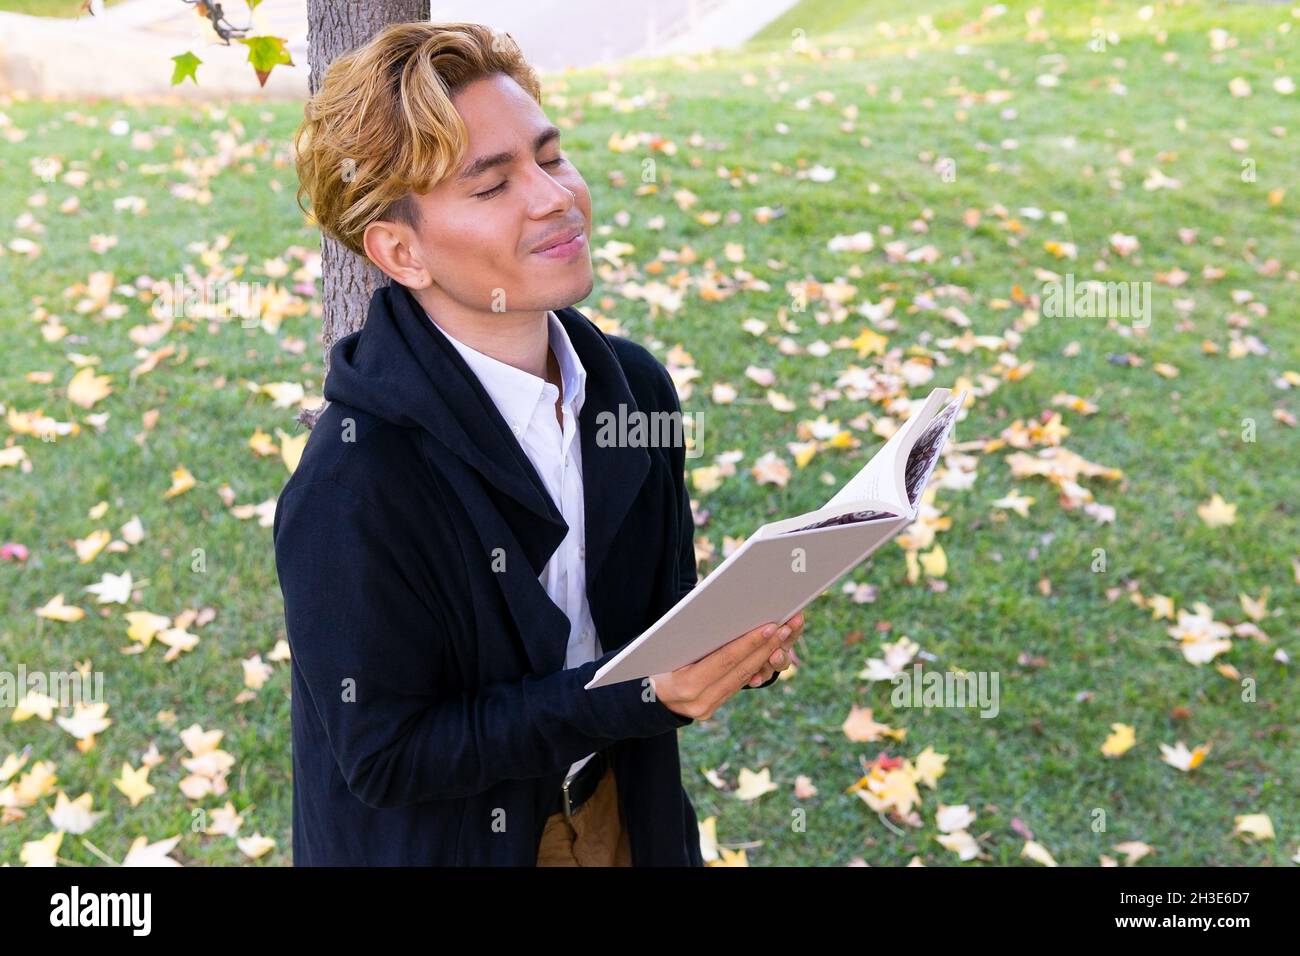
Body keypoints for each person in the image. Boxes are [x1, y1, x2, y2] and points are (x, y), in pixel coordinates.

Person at [275, 21, 804, 867]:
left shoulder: (633, 391)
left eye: (550, 158)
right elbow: (386, 757)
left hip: (624, 816)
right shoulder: (355, 482)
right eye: (492, 187)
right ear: (400, 250)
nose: (557, 198)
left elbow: (650, 620)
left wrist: (735, 640)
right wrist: (636, 696)